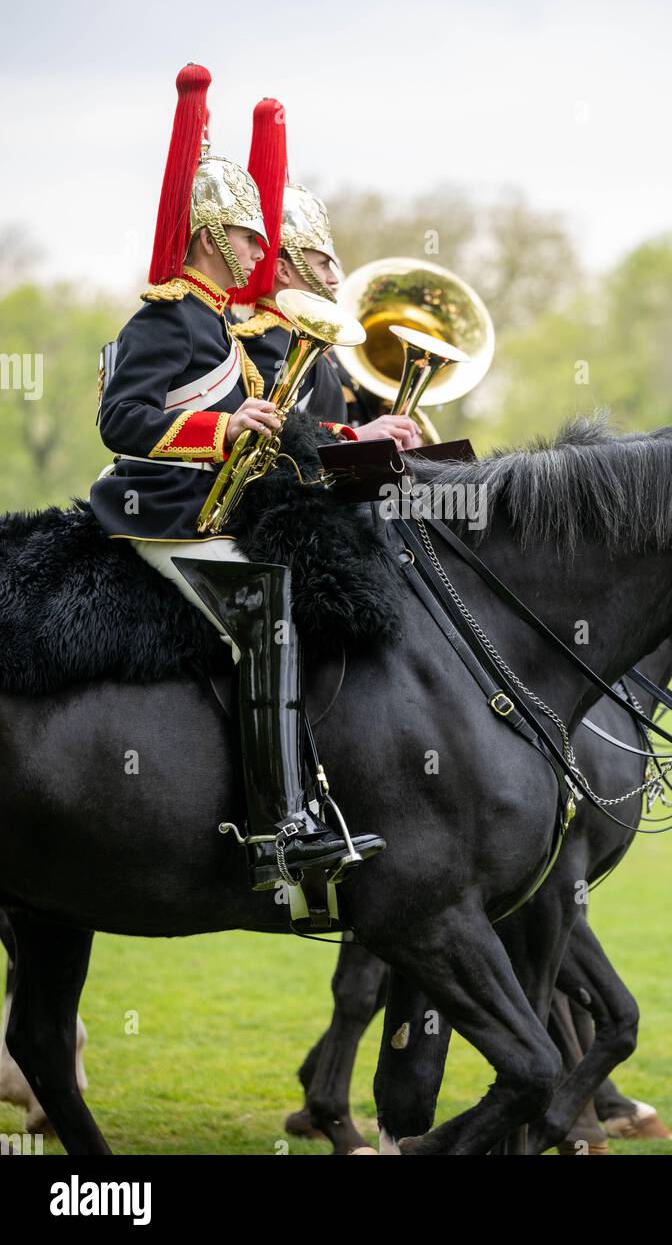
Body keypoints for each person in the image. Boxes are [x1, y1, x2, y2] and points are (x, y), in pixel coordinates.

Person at [89, 64, 384, 891]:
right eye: (250, 237)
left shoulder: (217, 323)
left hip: (206, 515)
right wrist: (225, 427)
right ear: (213, 235)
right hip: (162, 515)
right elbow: (121, 419)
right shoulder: (165, 316)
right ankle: (276, 824)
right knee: (267, 614)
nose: (262, 252)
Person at [229, 98, 423, 450]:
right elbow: (271, 447)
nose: (333, 279)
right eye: (321, 265)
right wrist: (355, 437)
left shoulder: (316, 347)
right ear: (284, 270)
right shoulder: (259, 345)